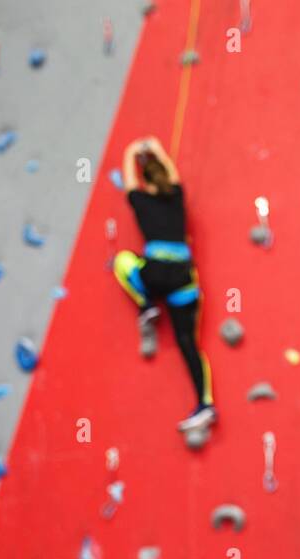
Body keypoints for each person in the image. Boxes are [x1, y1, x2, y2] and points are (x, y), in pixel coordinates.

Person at [114, 135, 215, 432]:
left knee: (123, 261)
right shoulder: (177, 198)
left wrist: (131, 149)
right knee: (188, 344)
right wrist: (154, 146)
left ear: (146, 181)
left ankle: (146, 305)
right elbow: (173, 174)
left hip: (156, 276)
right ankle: (205, 403)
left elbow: (129, 181)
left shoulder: (141, 201)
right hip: (184, 280)